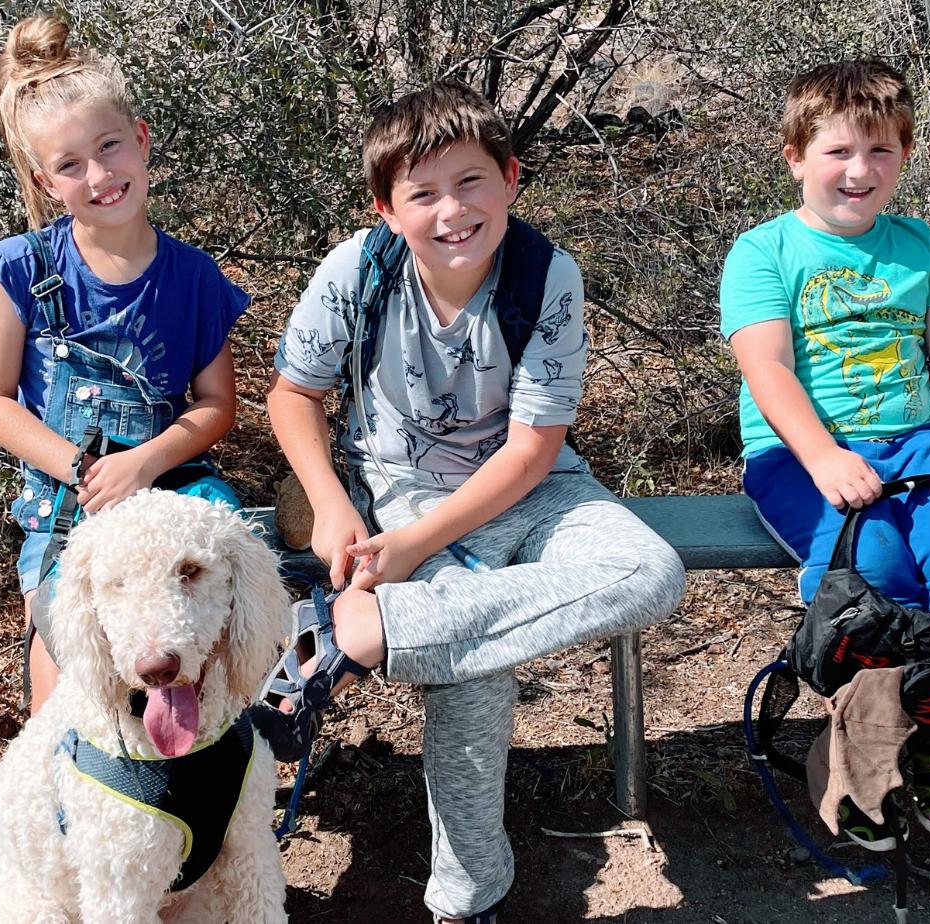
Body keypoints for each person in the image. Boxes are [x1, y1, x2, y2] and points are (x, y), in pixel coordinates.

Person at [256, 81, 686, 923]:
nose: (452, 211)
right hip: (402, 488)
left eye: (470, 182)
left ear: (511, 179)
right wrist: (336, 504)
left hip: (532, 488)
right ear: (387, 210)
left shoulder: (544, 275)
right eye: (423, 194)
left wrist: (416, 553)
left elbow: (532, 451)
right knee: (474, 667)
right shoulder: (359, 270)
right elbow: (292, 395)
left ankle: (363, 632)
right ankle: (468, 898)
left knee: (650, 571)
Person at [720, 59, 930, 849]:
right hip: (798, 454)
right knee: (872, 570)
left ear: (905, 156)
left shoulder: (916, 245)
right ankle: (859, 760)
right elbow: (766, 367)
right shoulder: (765, 252)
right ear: (795, 157)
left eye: (880, 151)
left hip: (915, 443)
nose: (860, 170)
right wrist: (821, 456)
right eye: (839, 151)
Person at [0, 15, 247, 714]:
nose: (98, 175)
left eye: (109, 146)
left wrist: (144, 464)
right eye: (70, 165)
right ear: (44, 180)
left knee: (235, 596)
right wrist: (83, 469)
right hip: (69, 506)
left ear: (141, 140)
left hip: (173, 487)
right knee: (66, 652)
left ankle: (249, 729)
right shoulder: (21, 269)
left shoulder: (194, 278)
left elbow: (217, 404)